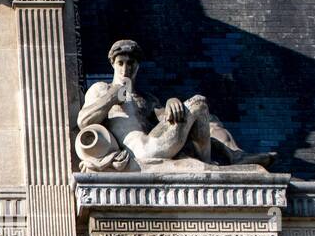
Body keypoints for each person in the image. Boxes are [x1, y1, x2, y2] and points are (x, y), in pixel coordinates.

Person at [77, 39, 275, 170]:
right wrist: (114, 95)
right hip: (142, 151)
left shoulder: (146, 98)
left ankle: (231, 156)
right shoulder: (102, 89)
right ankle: (213, 162)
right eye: (121, 63)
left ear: (138, 66)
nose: (126, 68)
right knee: (198, 104)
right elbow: (84, 121)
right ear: (113, 64)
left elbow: (165, 117)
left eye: (131, 63)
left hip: (156, 142)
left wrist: (172, 101)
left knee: (207, 116)